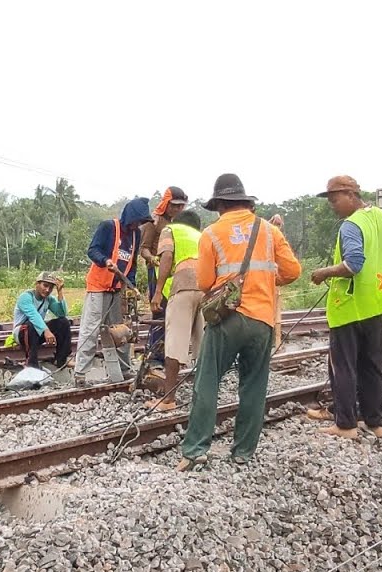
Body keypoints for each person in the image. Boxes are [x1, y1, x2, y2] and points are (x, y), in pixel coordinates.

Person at [177, 173, 301, 471]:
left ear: (219, 204)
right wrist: (267, 282)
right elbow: (293, 271)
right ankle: (243, 452)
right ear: (246, 202)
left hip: (227, 317)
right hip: (262, 319)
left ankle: (196, 450)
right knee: (254, 386)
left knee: (208, 381)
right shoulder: (270, 231)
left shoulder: (211, 233)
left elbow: (206, 281)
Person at [308, 175, 382, 440]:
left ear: (351, 195)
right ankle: (376, 422)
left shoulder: (350, 225)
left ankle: (346, 424)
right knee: (372, 365)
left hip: (350, 306)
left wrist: (323, 273)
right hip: (378, 303)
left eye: (334, 199)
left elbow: (353, 264)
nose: (332, 206)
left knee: (344, 366)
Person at [73, 197, 152, 386]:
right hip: (98, 287)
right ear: (129, 216)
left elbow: (131, 264)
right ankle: (80, 374)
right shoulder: (108, 227)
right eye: (136, 221)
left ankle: (124, 370)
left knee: (120, 331)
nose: (137, 225)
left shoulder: (135, 235)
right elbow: (93, 250)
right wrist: (105, 260)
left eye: (140, 223)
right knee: (90, 330)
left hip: (117, 289)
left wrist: (130, 286)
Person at [147, 210, 204, 410]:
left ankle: (169, 400)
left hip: (182, 288)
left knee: (175, 344)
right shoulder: (201, 236)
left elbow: (167, 257)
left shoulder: (170, 230)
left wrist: (157, 291)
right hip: (207, 289)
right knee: (203, 345)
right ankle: (204, 397)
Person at [8, 271, 71, 370]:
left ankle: (61, 360)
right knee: (30, 325)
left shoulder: (48, 299)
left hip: (38, 332)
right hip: (22, 333)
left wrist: (60, 292)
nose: (47, 290)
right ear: (37, 284)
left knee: (63, 322)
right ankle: (32, 363)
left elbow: (62, 313)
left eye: (51, 288)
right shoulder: (25, 297)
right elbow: (34, 315)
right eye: (45, 285)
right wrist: (46, 331)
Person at [140, 187, 189, 302]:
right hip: (156, 271)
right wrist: (152, 259)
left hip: (176, 271)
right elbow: (144, 249)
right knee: (160, 306)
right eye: (174, 205)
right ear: (166, 204)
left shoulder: (180, 222)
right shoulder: (154, 221)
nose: (177, 209)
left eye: (180, 206)